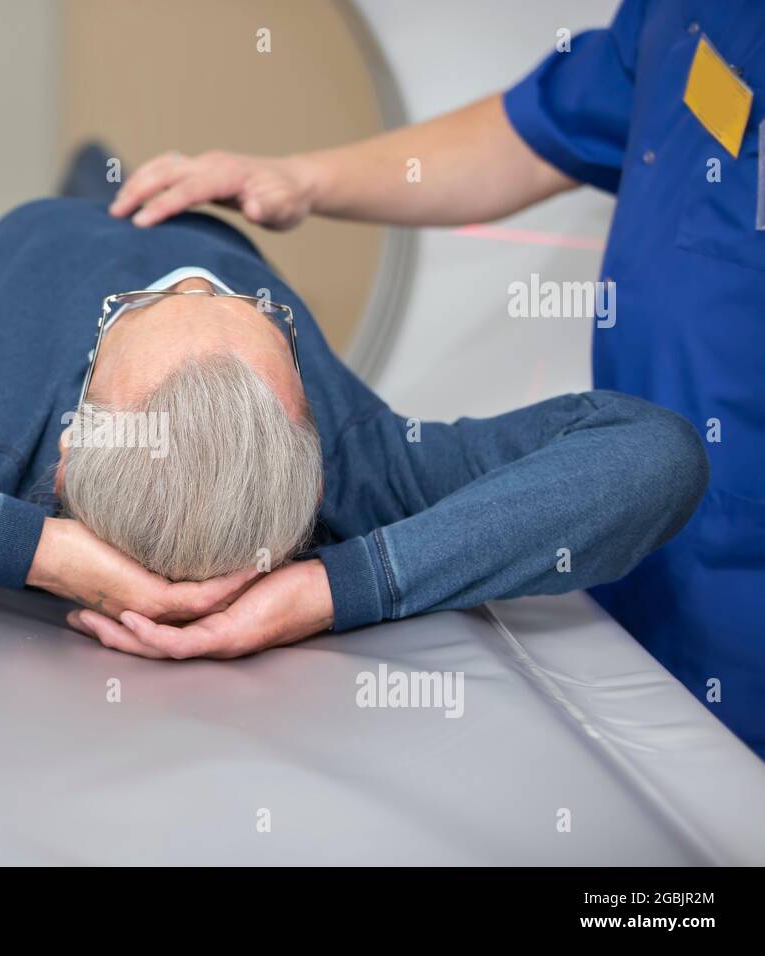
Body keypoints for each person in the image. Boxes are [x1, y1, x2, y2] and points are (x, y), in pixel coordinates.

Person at [0, 141, 707, 666]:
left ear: (64, 450)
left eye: (130, 316)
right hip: (161, 207)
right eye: (261, 312)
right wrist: (347, 588)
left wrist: (33, 549)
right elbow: (650, 452)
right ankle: (86, 176)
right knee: (109, 184)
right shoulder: (370, 459)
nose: (181, 286)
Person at [108, 1, 765, 754]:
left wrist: (332, 590)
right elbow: (532, 135)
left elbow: (649, 459)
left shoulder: (364, 462)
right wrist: (296, 179)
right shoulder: (688, 12)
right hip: (653, 550)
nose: (198, 296)